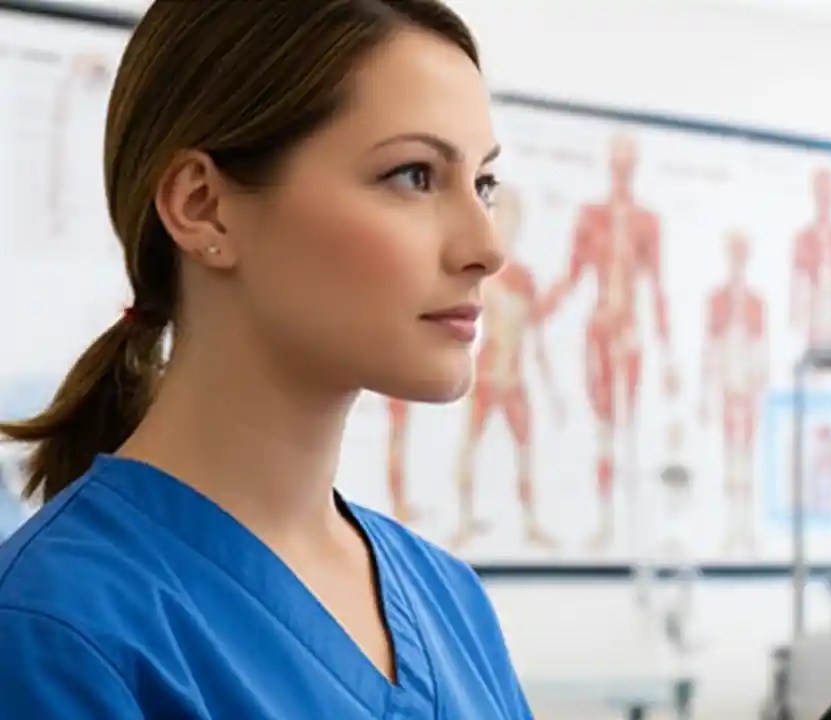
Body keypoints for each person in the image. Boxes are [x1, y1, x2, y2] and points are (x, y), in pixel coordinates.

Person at [0, 2, 532, 718]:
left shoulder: (450, 601)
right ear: (203, 207)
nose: (488, 247)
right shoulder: (58, 631)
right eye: (413, 175)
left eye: (483, 185)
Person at [541, 134, 679, 550]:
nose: (622, 170)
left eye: (628, 163)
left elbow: (657, 288)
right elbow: (572, 274)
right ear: (609, 165)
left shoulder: (647, 221)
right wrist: (541, 310)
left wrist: (669, 357)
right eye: (617, 162)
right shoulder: (591, 216)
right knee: (603, 428)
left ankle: (631, 526)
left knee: (629, 429)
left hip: (630, 332)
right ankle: (606, 521)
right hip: (600, 327)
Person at [452, 184, 563, 551]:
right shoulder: (479, 278)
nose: (508, 226)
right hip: (485, 378)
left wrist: (553, 392)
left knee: (524, 451)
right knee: (470, 447)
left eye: (514, 219)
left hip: (514, 380)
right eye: (502, 218)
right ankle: (464, 519)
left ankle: (531, 523)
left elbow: (537, 341)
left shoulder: (523, 279)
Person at [701, 230, 768, 556]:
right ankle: (731, 529)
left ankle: (748, 530)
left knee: (748, 458)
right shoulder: (717, 300)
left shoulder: (756, 302)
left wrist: (761, 389)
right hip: (728, 386)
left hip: (749, 388)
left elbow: (762, 348)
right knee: (732, 458)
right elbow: (711, 347)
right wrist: (705, 392)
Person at [790, 167, 831, 345]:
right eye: (821, 192)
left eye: (829, 192)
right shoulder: (802, 238)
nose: (825, 198)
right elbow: (797, 291)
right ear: (814, 194)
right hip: (813, 324)